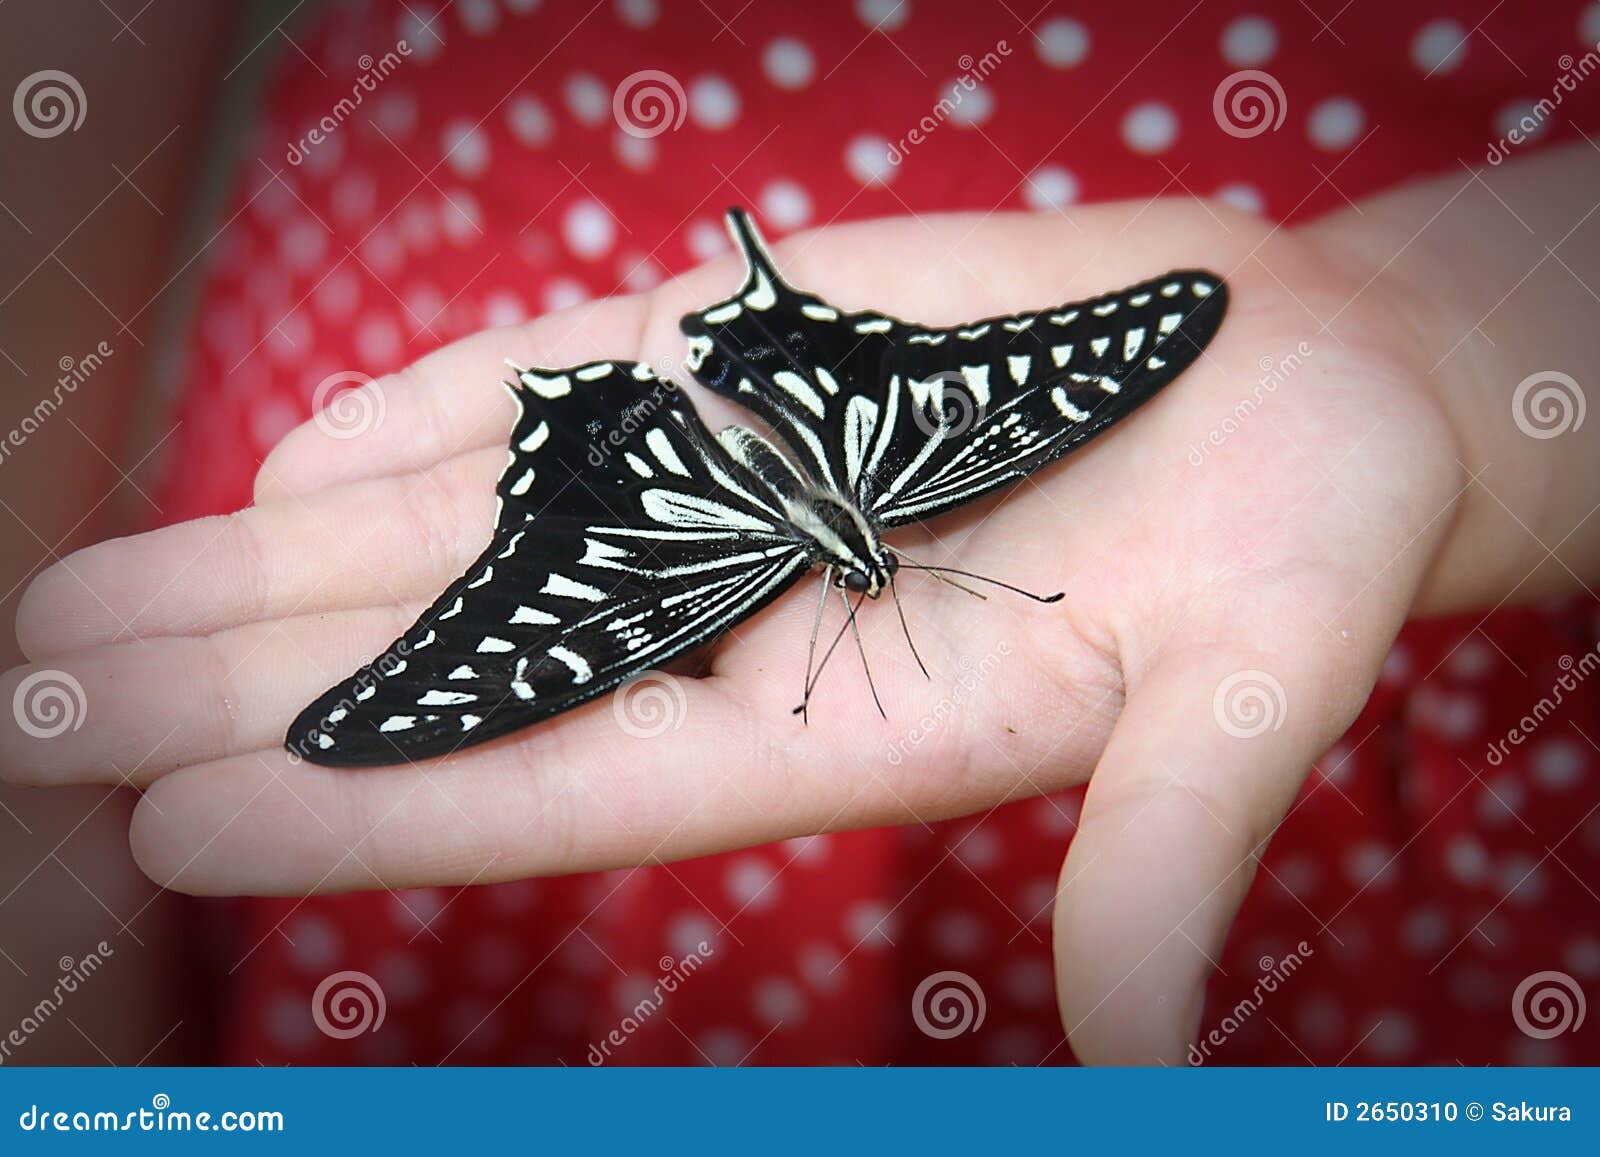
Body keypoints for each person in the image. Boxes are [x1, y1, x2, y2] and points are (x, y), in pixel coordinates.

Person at [1, 0, 1597, 1065]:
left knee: (559, 646)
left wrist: (1458, 337)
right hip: (404, 352)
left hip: (1475, 567)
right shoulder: (911, 499)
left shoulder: (857, 547)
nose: (869, 582)